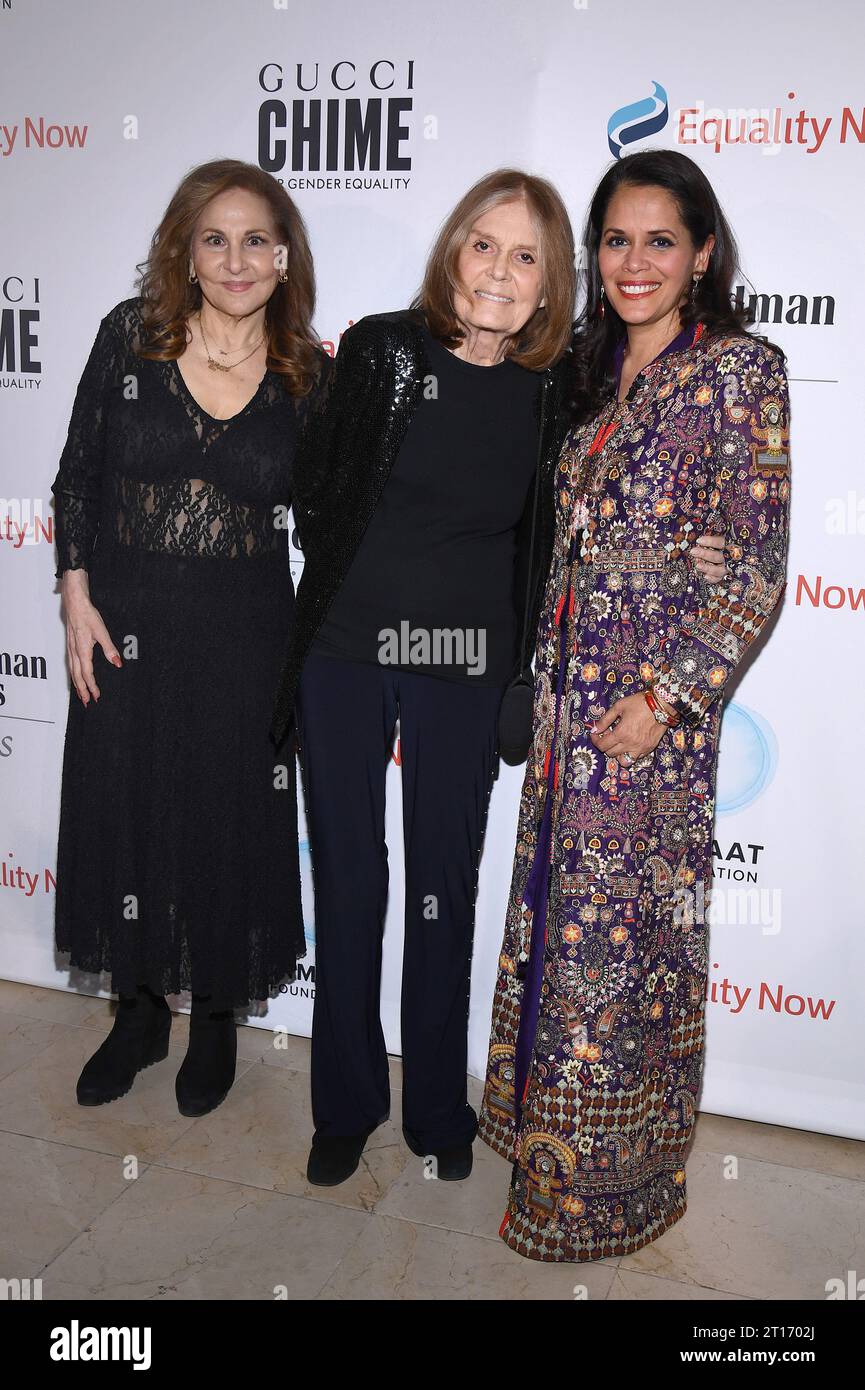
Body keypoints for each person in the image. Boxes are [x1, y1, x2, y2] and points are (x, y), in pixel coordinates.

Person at [269, 167, 727, 1188]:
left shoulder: (555, 388)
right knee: (351, 882)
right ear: (452, 251)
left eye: (527, 256)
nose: (500, 271)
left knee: (441, 886)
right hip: (346, 653)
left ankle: (436, 1104)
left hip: (464, 668)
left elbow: (602, 503)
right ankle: (345, 1104)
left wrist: (697, 547)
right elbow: (314, 489)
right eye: (485, 245)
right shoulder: (383, 350)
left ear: (548, 282)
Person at [479, 149, 791, 1261]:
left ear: (702, 253)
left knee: (622, 958)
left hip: (650, 724)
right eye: (615, 239)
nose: (634, 261)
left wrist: (666, 698)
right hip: (570, 712)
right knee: (562, 948)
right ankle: (548, 1166)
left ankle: (614, 1189)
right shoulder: (584, 374)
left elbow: (755, 565)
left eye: (660, 239)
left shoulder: (741, 372)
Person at [52, 159, 328, 1116]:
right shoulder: (130, 338)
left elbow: (341, 520)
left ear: (284, 253)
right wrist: (75, 597)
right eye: (214, 238)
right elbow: (77, 476)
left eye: (256, 238)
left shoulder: (308, 373)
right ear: (185, 249)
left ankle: (214, 1018)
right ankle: (137, 1015)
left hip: (248, 630)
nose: (236, 258)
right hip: (126, 622)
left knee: (227, 820)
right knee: (127, 808)